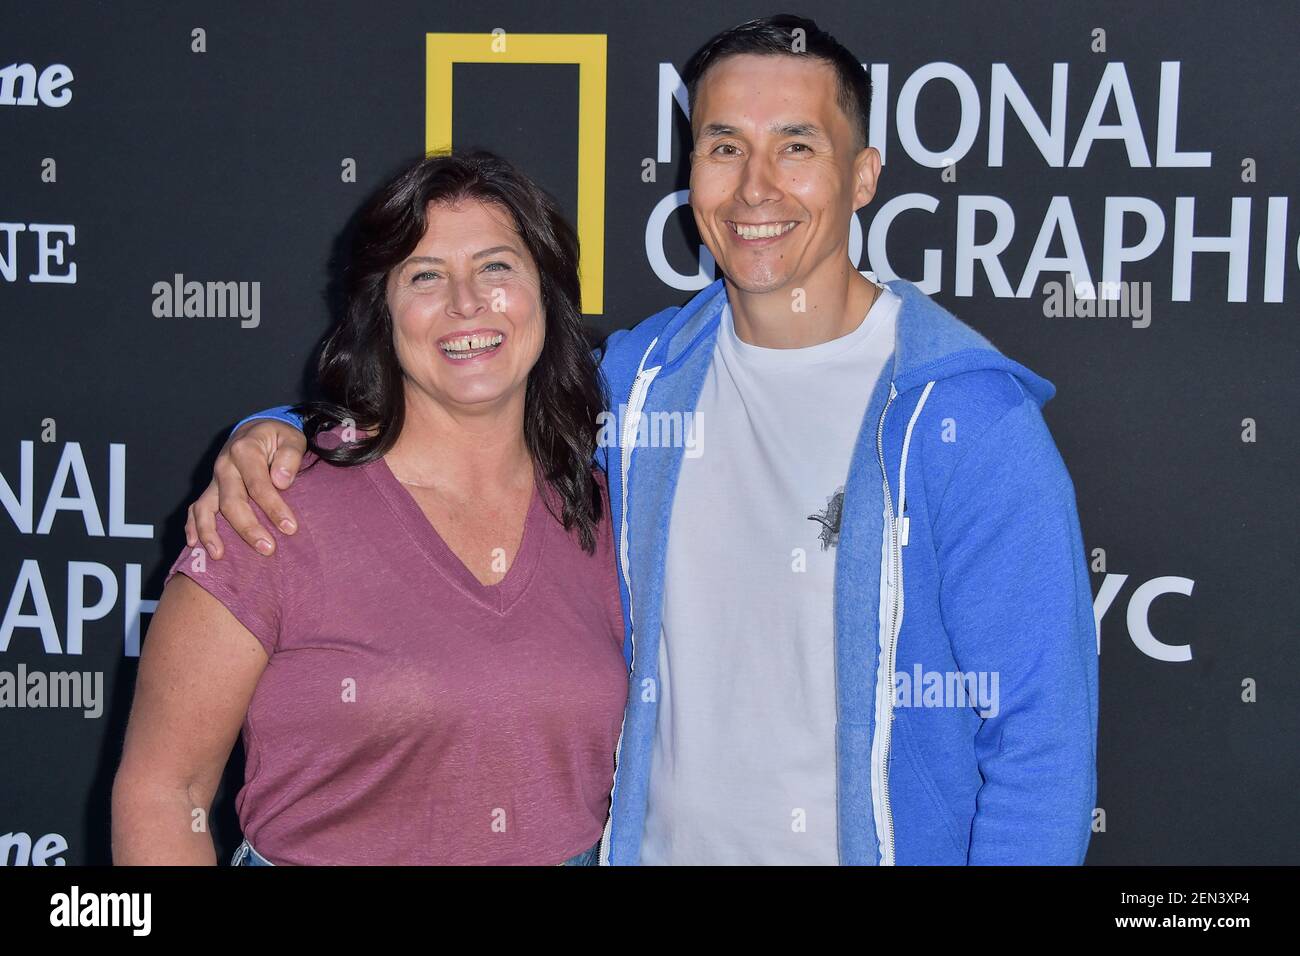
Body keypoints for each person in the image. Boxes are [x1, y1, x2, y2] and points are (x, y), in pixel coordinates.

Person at [186, 16, 1099, 865]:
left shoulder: (965, 424)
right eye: (724, 146)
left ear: (863, 176)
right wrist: (279, 433)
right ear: (688, 171)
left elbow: (1041, 754)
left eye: (797, 146)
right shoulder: (642, 379)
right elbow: (462, 390)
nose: (756, 186)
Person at [112, 151, 627, 865]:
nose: (467, 302)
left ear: (547, 293)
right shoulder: (275, 503)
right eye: (425, 276)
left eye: (497, 267)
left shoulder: (607, 514)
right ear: (381, 313)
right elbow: (166, 791)